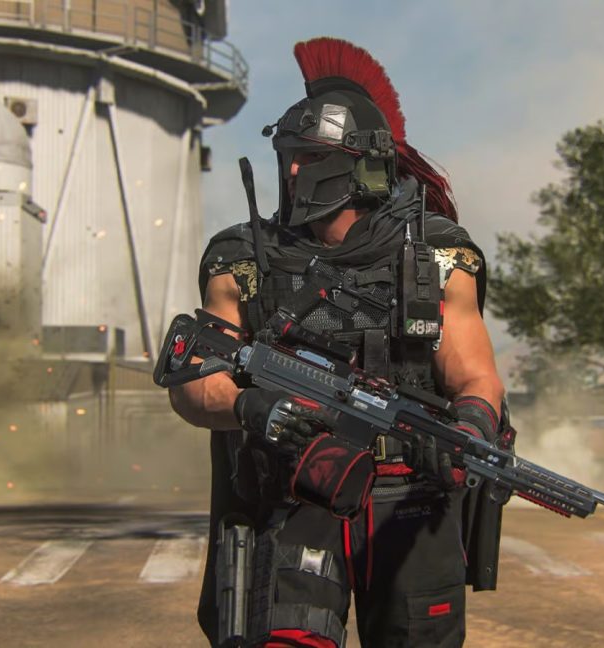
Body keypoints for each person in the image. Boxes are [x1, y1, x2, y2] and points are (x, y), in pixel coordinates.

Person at [169, 37, 512, 648]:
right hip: (294, 489)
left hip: (409, 493)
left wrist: (468, 430)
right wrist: (253, 407)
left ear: (360, 164)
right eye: (288, 155)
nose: (292, 172)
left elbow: (475, 376)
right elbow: (194, 381)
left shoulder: (437, 255)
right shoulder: (241, 258)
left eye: (311, 156)